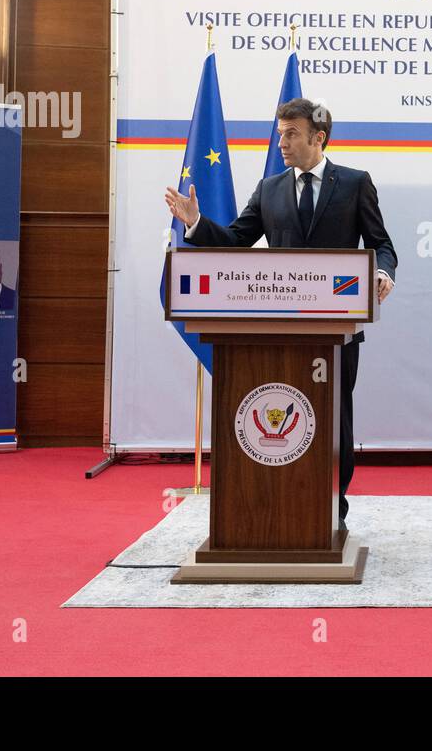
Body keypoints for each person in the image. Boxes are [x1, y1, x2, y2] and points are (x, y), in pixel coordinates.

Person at [164, 98, 398, 527]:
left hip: (339, 330)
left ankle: (333, 510)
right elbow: (236, 240)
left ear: (318, 137)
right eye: (280, 133)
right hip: (276, 328)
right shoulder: (269, 188)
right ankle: (273, 510)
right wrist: (196, 224)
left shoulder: (355, 183)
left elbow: (381, 243)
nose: (282, 142)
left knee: (334, 419)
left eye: (291, 133)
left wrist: (383, 271)